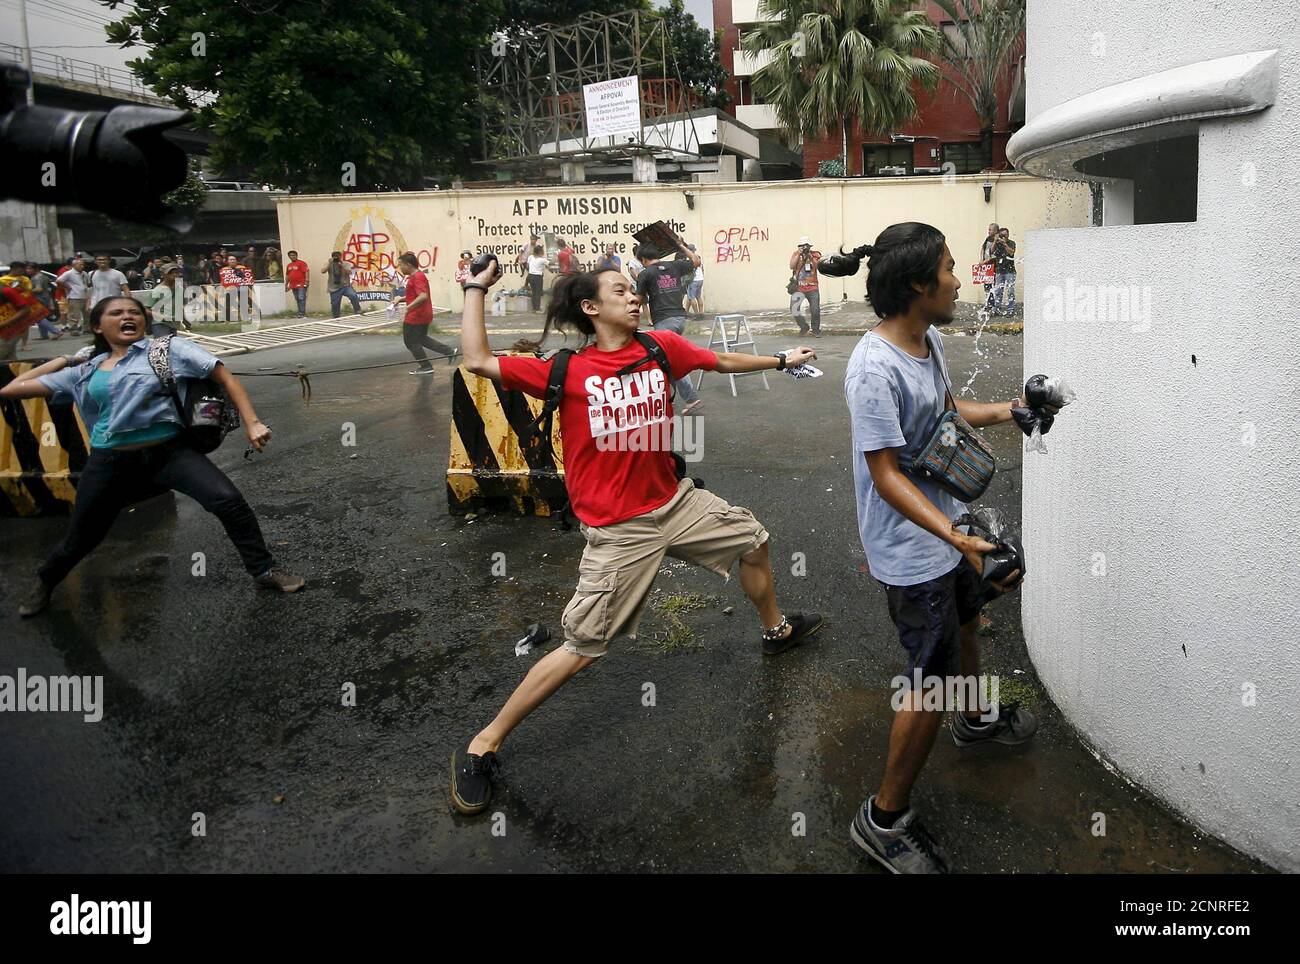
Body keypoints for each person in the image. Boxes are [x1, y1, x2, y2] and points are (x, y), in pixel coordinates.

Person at [447, 258, 825, 816]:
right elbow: (477, 361)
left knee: (753, 540)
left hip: (676, 501)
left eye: (633, 289)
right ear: (591, 308)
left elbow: (718, 359)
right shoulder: (566, 370)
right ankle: (483, 743)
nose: (635, 297)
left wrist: (780, 358)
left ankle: (776, 630)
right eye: (620, 291)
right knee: (583, 647)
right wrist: (476, 289)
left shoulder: (658, 348)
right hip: (620, 531)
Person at [842, 222, 1042, 874]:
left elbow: (949, 417)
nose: (961, 280)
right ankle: (884, 819)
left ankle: (975, 718)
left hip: (946, 532)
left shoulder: (926, 342)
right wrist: (951, 533)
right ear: (919, 284)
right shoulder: (873, 368)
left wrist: (1012, 411)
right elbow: (885, 474)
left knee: (968, 622)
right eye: (950, 269)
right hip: (912, 548)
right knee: (928, 682)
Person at [1, 295, 305, 618]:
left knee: (228, 501)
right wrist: (65, 360)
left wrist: (252, 421)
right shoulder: (85, 371)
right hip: (110, 461)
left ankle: (264, 571)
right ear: (97, 326)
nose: (127, 317)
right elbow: (11, 389)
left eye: (134, 312)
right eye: (116, 313)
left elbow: (223, 375)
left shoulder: (167, 350)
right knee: (83, 537)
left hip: (169, 453)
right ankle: (46, 581)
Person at [635, 234, 704, 416]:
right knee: (665, 360)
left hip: (664, 321)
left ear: (643, 259)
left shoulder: (645, 274)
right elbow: (696, 261)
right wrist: (681, 245)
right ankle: (665, 399)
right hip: (680, 318)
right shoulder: (674, 266)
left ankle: (691, 398)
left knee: (670, 361)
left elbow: (640, 299)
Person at [395, 252, 455, 374]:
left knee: (410, 342)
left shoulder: (417, 277)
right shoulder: (417, 276)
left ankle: (426, 366)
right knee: (421, 339)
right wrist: (400, 299)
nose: (400, 268)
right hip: (422, 314)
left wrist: (408, 308)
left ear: (408, 264)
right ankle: (449, 351)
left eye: (401, 265)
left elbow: (423, 296)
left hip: (416, 315)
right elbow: (416, 295)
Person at [142, 261, 190, 335]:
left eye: (176, 272)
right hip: (160, 323)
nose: (174, 275)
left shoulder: (180, 289)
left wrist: (185, 321)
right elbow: (146, 309)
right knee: (163, 344)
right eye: (171, 273)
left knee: (172, 344)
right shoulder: (158, 290)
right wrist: (161, 316)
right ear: (164, 275)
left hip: (174, 324)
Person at [789, 236, 822, 337]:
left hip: (813, 287)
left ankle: (815, 330)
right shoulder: (796, 254)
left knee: (815, 310)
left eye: (806, 246)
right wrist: (799, 253)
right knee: (794, 308)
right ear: (799, 246)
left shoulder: (815, 254)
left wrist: (810, 256)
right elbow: (791, 266)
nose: (805, 248)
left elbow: (818, 267)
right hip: (799, 287)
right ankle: (804, 326)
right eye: (802, 246)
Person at [26, 263, 64, 340]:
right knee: (42, 317)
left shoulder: (36, 278)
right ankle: (44, 335)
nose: (27, 271)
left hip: (39, 299)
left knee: (39, 317)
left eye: (30, 269)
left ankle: (56, 332)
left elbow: (39, 289)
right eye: (27, 269)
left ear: (35, 269)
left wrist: (27, 291)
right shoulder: (43, 276)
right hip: (46, 298)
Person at [322, 252, 362, 318]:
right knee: (335, 304)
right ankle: (336, 316)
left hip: (345, 286)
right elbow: (322, 271)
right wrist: (329, 264)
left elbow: (349, 272)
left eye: (338, 257)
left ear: (341, 257)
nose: (336, 258)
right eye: (335, 257)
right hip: (334, 287)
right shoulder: (329, 264)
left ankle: (357, 310)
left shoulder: (345, 264)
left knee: (353, 295)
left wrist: (341, 265)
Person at [56, 256, 89, 335]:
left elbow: (88, 283)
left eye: (83, 265)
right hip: (74, 296)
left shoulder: (84, 273)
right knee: (74, 314)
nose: (82, 266)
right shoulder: (69, 273)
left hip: (85, 295)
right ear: (74, 265)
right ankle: (73, 328)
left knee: (87, 313)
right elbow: (58, 280)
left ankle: (87, 328)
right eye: (80, 265)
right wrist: (67, 287)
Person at [992, 227, 1017, 316]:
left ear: (1008, 235)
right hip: (999, 270)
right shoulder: (997, 243)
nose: (1003, 237)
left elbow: (1011, 252)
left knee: (1010, 291)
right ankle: (997, 309)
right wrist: (995, 241)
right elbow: (991, 251)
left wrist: (1005, 244)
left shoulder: (1011, 243)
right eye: (1002, 235)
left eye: (1005, 235)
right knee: (998, 291)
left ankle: (1010, 309)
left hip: (1010, 270)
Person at [979, 222, 999, 310]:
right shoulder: (988, 239)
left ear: (995, 231)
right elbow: (983, 248)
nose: (988, 231)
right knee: (986, 286)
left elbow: (995, 254)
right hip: (986, 267)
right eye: (988, 229)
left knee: (993, 287)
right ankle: (988, 304)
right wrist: (981, 259)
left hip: (994, 267)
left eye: (990, 230)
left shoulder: (998, 240)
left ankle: (994, 306)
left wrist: (986, 261)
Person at [284, 250, 310, 318]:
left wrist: (307, 281)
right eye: (291, 255)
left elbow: (306, 271)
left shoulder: (301, 263)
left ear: (296, 255)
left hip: (301, 283)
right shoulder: (289, 265)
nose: (292, 257)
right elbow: (287, 275)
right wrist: (286, 284)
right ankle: (299, 312)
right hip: (293, 284)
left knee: (301, 297)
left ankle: (302, 313)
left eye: (293, 255)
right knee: (297, 298)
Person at [525, 244, 548, 312]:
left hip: (530, 276)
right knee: (538, 292)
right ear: (540, 252)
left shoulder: (530, 257)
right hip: (538, 277)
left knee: (534, 292)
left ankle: (534, 308)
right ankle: (537, 308)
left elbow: (527, 266)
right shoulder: (542, 260)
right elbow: (550, 264)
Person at [685, 245, 705, 316]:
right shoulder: (698, 258)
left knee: (692, 298)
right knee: (699, 297)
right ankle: (701, 312)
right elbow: (702, 270)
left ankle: (697, 314)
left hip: (693, 281)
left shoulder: (690, 260)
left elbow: (688, 272)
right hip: (700, 279)